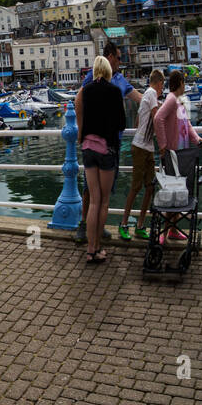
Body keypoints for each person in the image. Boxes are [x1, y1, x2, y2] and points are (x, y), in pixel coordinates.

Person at [73, 41, 141, 244]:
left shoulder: (120, 79)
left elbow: (138, 96)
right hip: (98, 141)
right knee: (89, 189)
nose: (121, 61)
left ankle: (98, 229)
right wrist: (81, 130)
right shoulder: (92, 77)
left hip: (111, 144)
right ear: (110, 57)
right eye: (119, 57)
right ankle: (84, 226)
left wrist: (157, 104)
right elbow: (78, 101)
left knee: (105, 191)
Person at [78, 56, 126, 264]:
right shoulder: (115, 91)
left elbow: (80, 109)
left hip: (88, 147)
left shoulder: (86, 90)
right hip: (106, 148)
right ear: (107, 71)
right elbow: (121, 123)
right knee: (103, 201)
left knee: (93, 201)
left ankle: (90, 249)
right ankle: (98, 247)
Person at [152, 70, 202, 247]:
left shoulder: (179, 102)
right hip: (173, 155)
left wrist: (197, 139)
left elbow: (187, 124)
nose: (185, 84)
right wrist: (163, 145)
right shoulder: (172, 99)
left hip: (180, 155)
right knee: (173, 196)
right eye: (184, 82)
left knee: (177, 194)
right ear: (180, 82)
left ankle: (171, 231)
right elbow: (158, 118)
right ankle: (165, 233)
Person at [119, 69, 165, 240]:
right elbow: (156, 118)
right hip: (141, 148)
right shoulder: (152, 93)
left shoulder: (148, 95)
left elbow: (139, 120)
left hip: (145, 147)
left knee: (149, 187)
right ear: (159, 83)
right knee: (137, 186)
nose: (162, 90)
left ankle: (140, 225)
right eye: (162, 86)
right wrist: (162, 144)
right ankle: (124, 224)